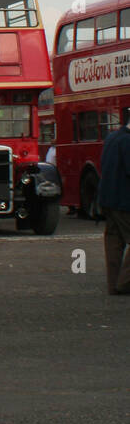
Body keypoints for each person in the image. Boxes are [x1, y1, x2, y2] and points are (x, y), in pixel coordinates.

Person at [97, 106, 130, 295]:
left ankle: (113, 284)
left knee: (113, 242)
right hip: (125, 200)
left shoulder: (111, 138)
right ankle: (124, 282)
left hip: (107, 198)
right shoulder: (128, 141)